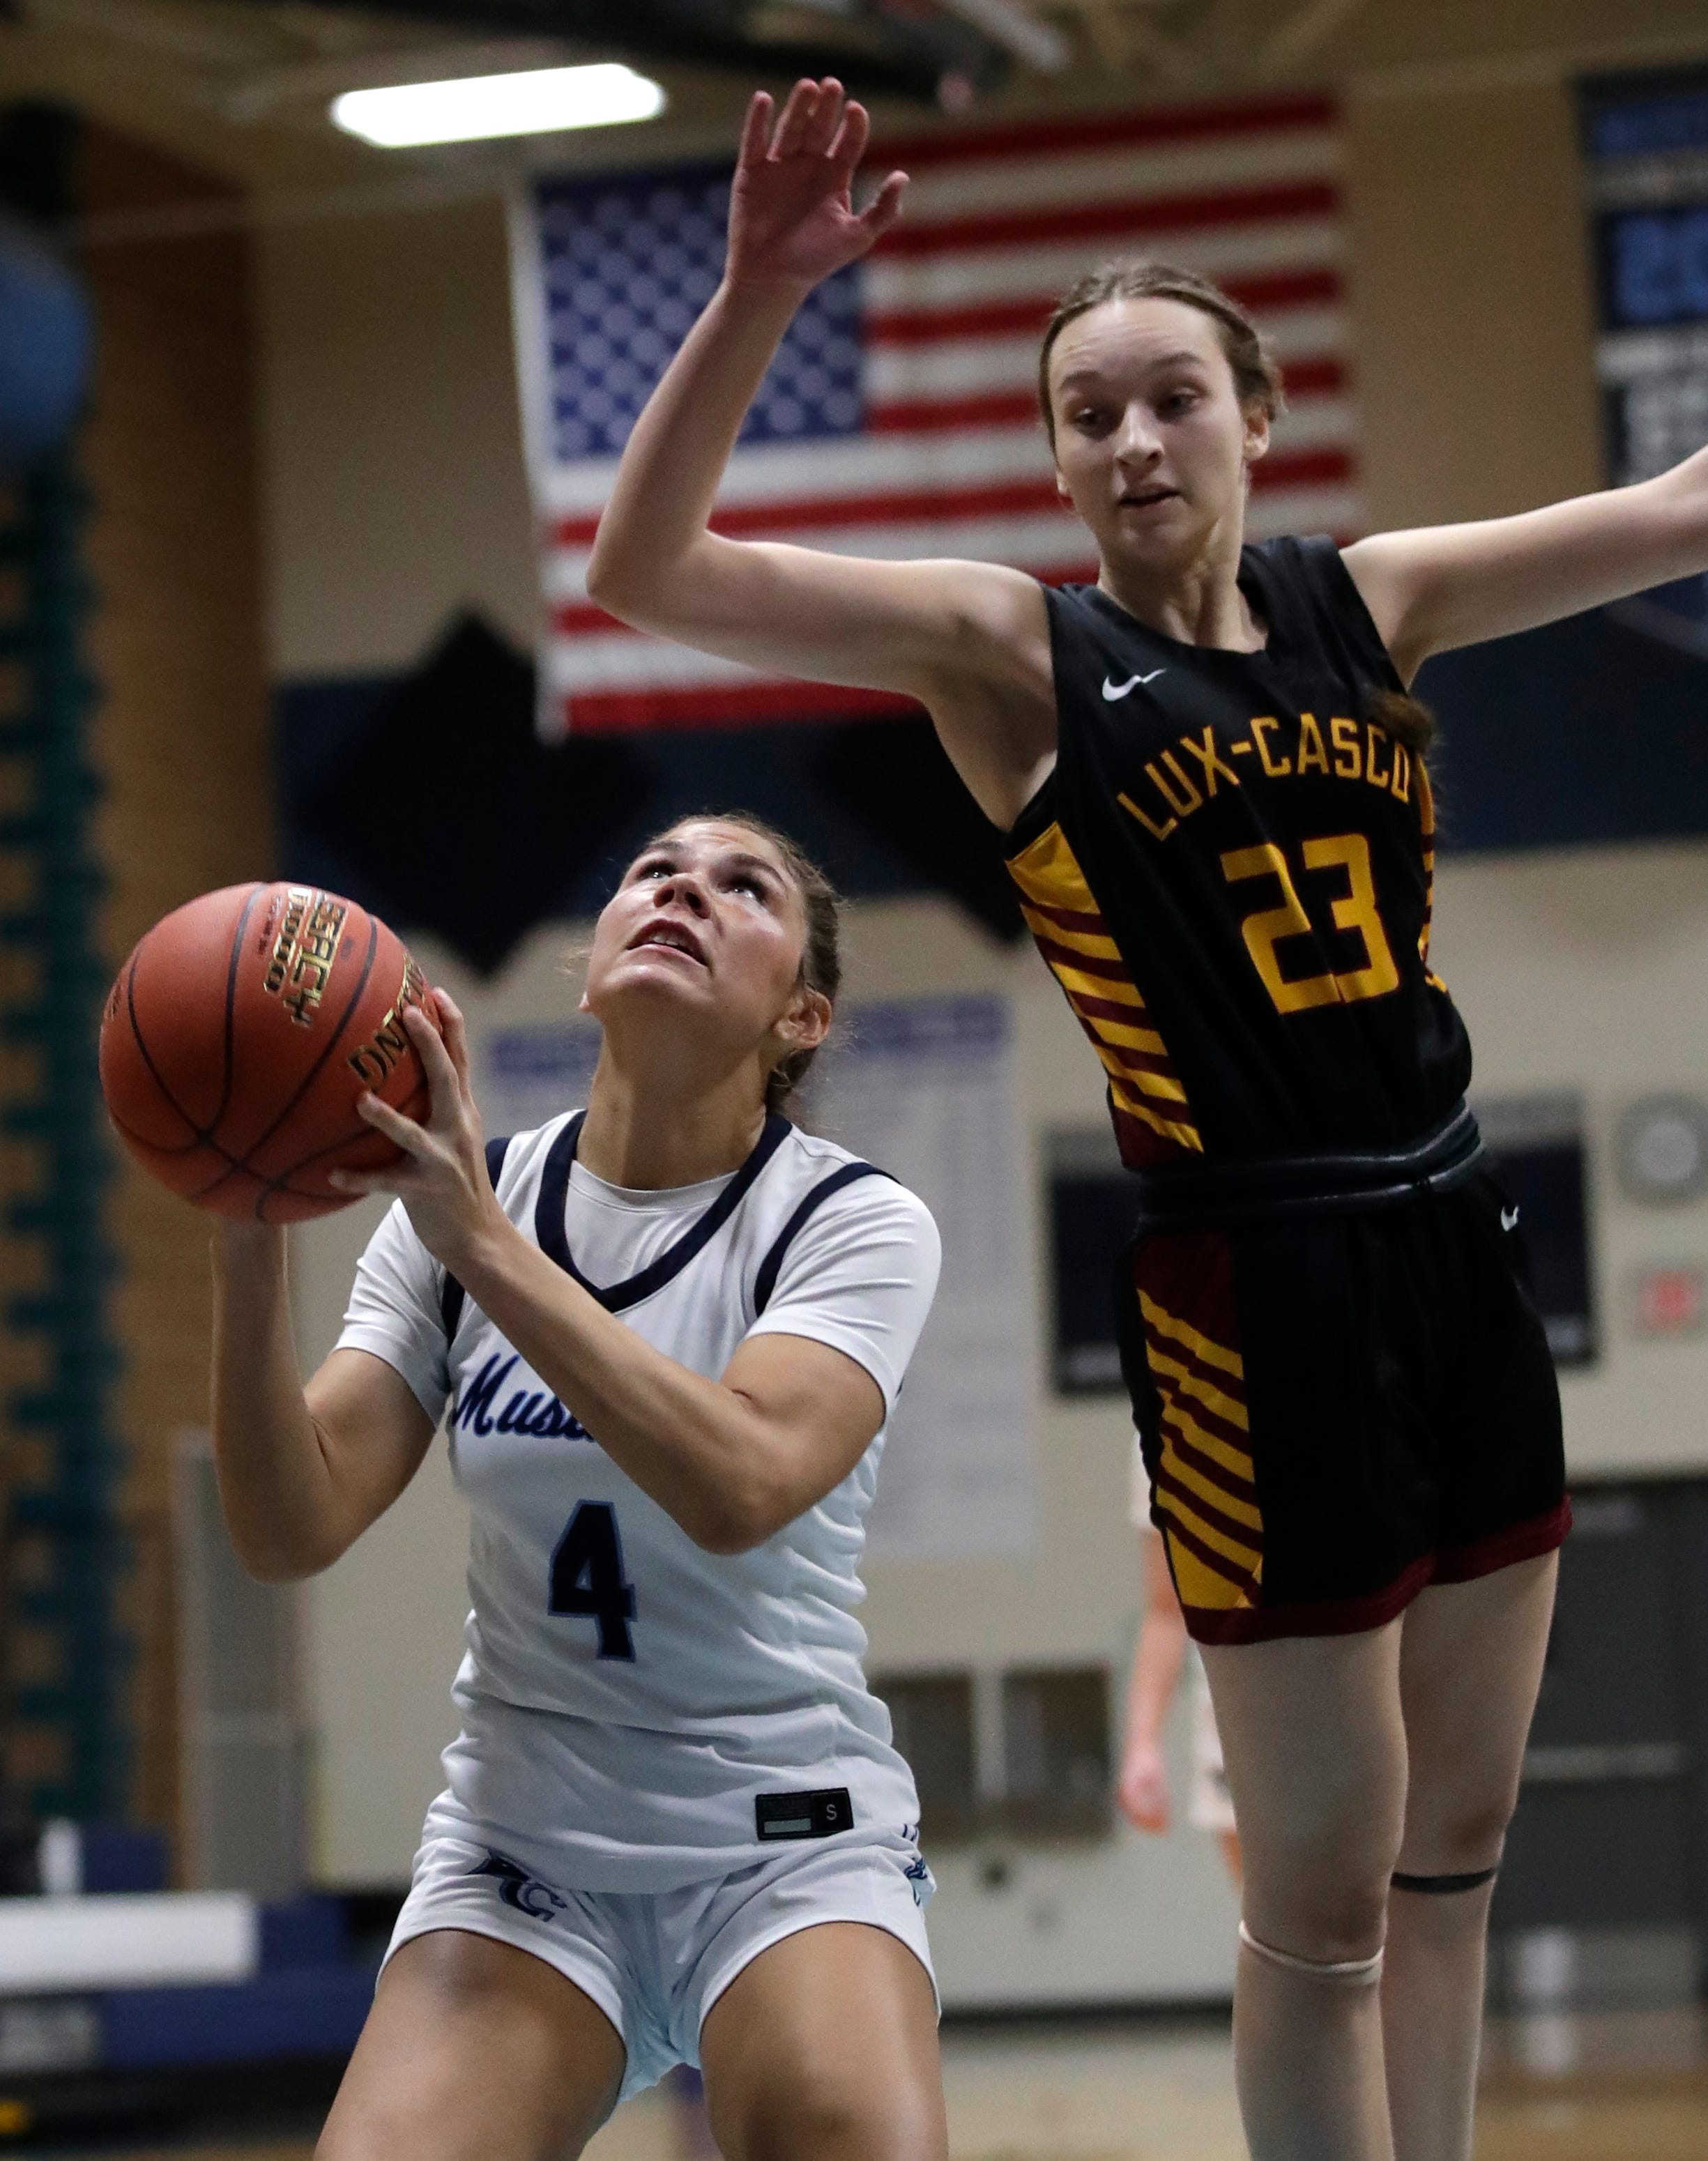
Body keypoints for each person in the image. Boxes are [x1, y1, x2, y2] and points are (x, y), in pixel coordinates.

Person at [586, 77, 1708, 2161]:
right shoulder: (1013, 652)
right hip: (1244, 1276)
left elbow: (1677, 512)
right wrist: (754, 292)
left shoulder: (1367, 600)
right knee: (1317, 1901)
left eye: (1169, 398)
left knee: (1455, 1846)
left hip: (1453, 1242)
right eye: (1084, 415)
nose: (1129, 444)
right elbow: (654, 566)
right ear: (1055, 459)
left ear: (1253, 415)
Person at [208, 814, 948, 2161]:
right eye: (654, 870)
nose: (684, 888)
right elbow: (287, 1521)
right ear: (597, 952)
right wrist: (247, 1234)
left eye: (745, 887)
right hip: (525, 1846)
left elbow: (744, 1480)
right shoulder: (456, 1211)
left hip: (783, 1836)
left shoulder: (850, 1221)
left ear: (803, 1016)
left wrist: (485, 1247)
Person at [1119, 1449, 1240, 1888]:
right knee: (1271, 1923)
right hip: (1236, 1703)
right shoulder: (1162, 1413)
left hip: (1353, 1678)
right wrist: (1143, 1745)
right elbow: (1167, 1610)